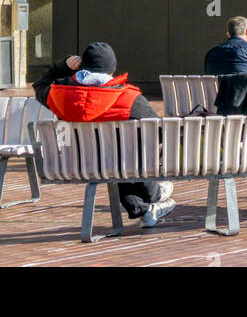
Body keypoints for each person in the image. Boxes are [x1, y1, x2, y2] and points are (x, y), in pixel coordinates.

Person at [33, 41, 175, 229]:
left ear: (82, 65)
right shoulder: (129, 98)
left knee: (117, 156)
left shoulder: (59, 94)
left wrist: (62, 66)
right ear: (112, 68)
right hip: (121, 166)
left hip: (75, 165)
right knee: (128, 151)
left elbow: (40, 85)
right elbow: (159, 131)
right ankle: (154, 193)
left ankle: (145, 209)